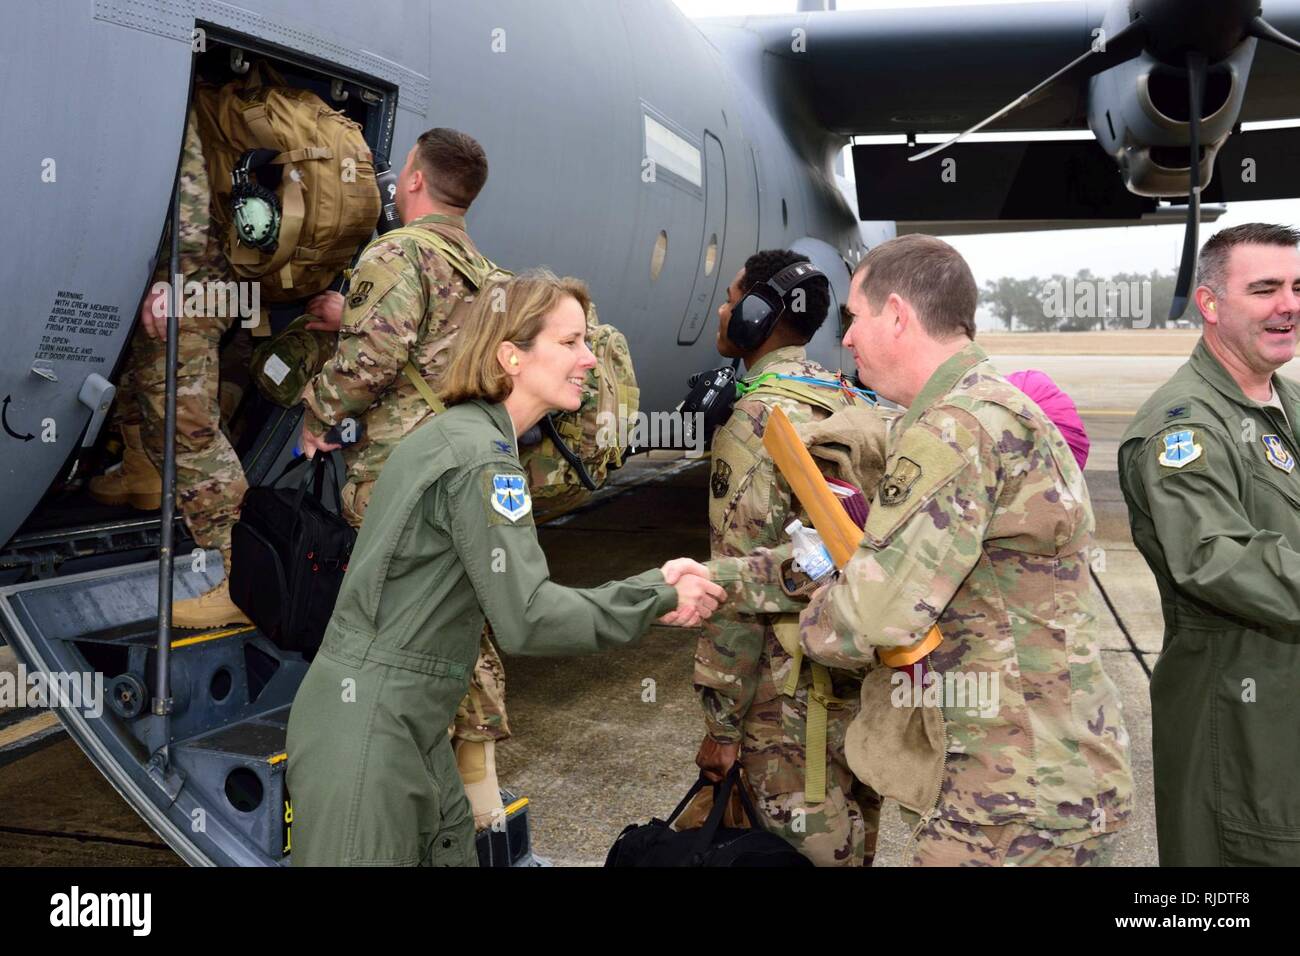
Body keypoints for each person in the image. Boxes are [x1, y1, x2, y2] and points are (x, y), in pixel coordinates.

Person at [712, 234, 1133, 866]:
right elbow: (869, 558)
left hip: (1011, 794)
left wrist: (810, 631)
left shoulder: (956, 428)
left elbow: (876, 612)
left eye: (855, 319)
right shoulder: (990, 410)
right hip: (1039, 768)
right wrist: (743, 577)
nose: (846, 339)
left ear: (899, 316)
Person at [285, 270, 724, 866]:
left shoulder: (462, 436)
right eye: (570, 343)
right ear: (510, 356)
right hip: (372, 734)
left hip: (402, 724)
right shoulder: (482, 463)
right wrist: (656, 594)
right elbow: (527, 618)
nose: (590, 360)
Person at [296, 127, 513, 827]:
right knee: (463, 611)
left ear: (414, 177)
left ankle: (399, 786)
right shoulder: (492, 275)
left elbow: (371, 365)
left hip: (404, 480)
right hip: (473, 470)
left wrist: (316, 413)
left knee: (398, 625)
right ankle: (477, 784)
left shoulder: (396, 252)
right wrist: (350, 316)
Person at [1118, 222, 1300, 866]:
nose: (1290, 305)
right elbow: (1214, 558)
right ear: (1211, 305)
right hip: (1240, 712)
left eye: (1298, 286)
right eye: (1266, 288)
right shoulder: (1186, 427)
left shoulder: (1287, 403)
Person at [693, 249, 882, 866]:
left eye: (731, 298)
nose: (723, 311)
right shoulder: (856, 401)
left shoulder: (755, 418)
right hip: (863, 682)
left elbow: (736, 583)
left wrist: (721, 727)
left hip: (789, 700)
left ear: (755, 315)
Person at [89, 108, 251, 629]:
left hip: (191, 281)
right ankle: (140, 474)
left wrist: (171, 275)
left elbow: (190, 190)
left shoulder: (160, 93)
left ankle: (244, 578)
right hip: (172, 279)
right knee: (148, 399)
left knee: (188, 432)